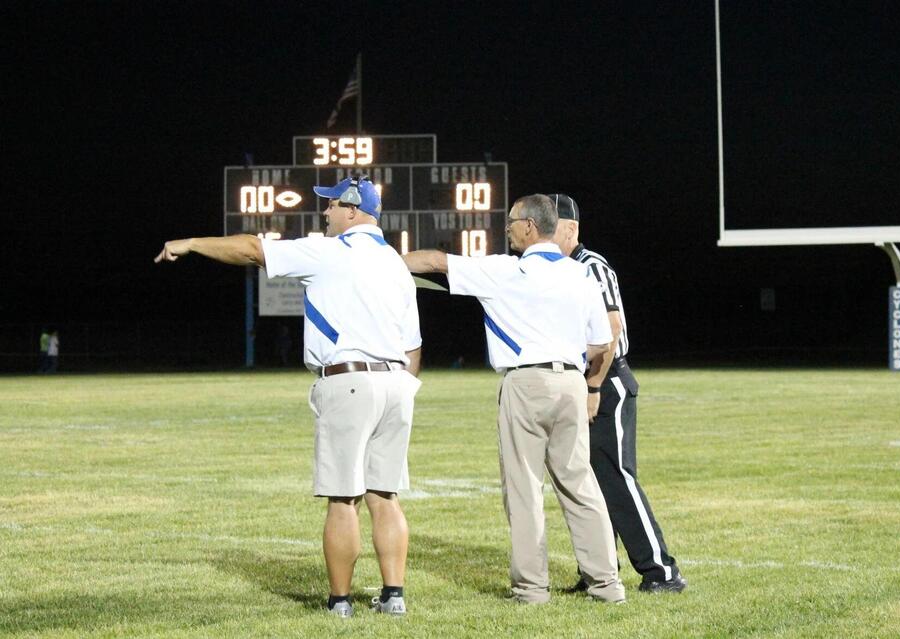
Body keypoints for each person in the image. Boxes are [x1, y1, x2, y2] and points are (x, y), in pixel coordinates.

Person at [155, 176, 422, 618]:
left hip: (349, 381)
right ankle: (394, 597)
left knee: (343, 498)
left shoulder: (330, 250)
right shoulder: (395, 263)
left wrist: (192, 243)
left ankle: (339, 602)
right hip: (397, 383)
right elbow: (412, 346)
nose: (325, 212)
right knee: (385, 495)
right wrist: (403, 389)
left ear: (352, 210)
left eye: (331, 205)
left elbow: (251, 249)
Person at [403, 194, 625, 604]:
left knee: (524, 488)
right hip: (571, 381)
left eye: (510, 222)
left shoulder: (505, 270)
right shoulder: (581, 275)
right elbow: (602, 342)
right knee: (580, 484)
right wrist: (578, 370)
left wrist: (383, 263)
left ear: (529, 226)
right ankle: (607, 585)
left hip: (525, 383)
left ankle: (532, 589)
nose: (506, 229)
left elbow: (434, 262)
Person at [550, 193, 686, 593]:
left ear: (571, 229)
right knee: (586, 483)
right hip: (581, 382)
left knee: (616, 478)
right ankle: (598, 570)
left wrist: (594, 385)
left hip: (605, 382)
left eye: (550, 227)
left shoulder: (591, 266)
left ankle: (662, 571)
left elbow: (610, 331)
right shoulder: (555, 270)